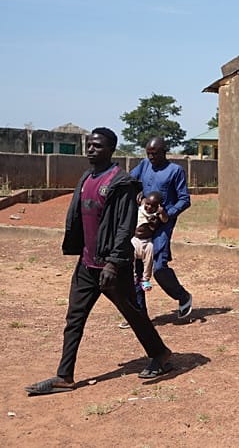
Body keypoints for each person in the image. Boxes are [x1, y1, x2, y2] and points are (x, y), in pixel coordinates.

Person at [25, 128, 173, 395]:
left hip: (113, 266)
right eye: (89, 145)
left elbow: (125, 226)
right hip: (87, 264)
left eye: (98, 146)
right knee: (74, 318)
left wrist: (113, 263)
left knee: (132, 313)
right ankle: (64, 376)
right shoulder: (86, 178)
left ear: (111, 150)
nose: (91, 149)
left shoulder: (122, 182)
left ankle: (160, 354)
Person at [129, 137, 193, 321]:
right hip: (141, 225)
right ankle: (139, 314)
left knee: (159, 267)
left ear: (164, 152)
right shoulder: (144, 165)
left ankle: (182, 296)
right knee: (136, 268)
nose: (151, 157)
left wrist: (167, 213)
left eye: (155, 154)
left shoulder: (175, 171)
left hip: (162, 226)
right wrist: (136, 192)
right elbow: (129, 180)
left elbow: (184, 199)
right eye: (148, 153)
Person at [132, 191, 168, 294]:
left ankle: (145, 279)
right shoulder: (140, 209)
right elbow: (140, 200)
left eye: (153, 206)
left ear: (158, 207)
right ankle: (133, 276)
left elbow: (165, 220)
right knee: (131, 257)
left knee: (149, 259)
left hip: (147, 241)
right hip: (135, 239)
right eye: (147, 204)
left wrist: (162, 212)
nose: (149, 207)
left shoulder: (156, 215)